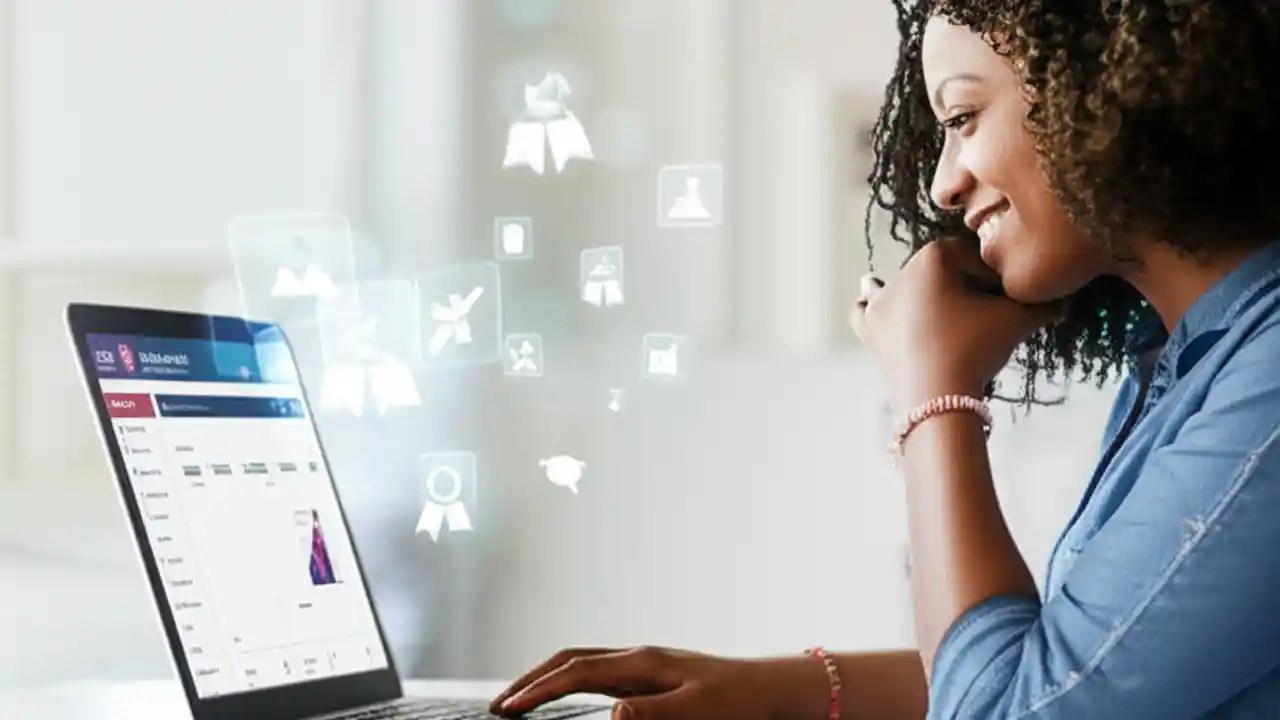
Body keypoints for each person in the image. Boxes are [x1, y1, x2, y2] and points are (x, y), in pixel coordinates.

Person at [491, 0, 1280, 717]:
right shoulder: (1193, 363)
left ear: (1107, 90)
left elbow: (1009, 710)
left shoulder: (1266, 386)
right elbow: (1064, 670)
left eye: (964, 116)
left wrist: (935, 396)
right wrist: (766, 691)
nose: (942, 183)